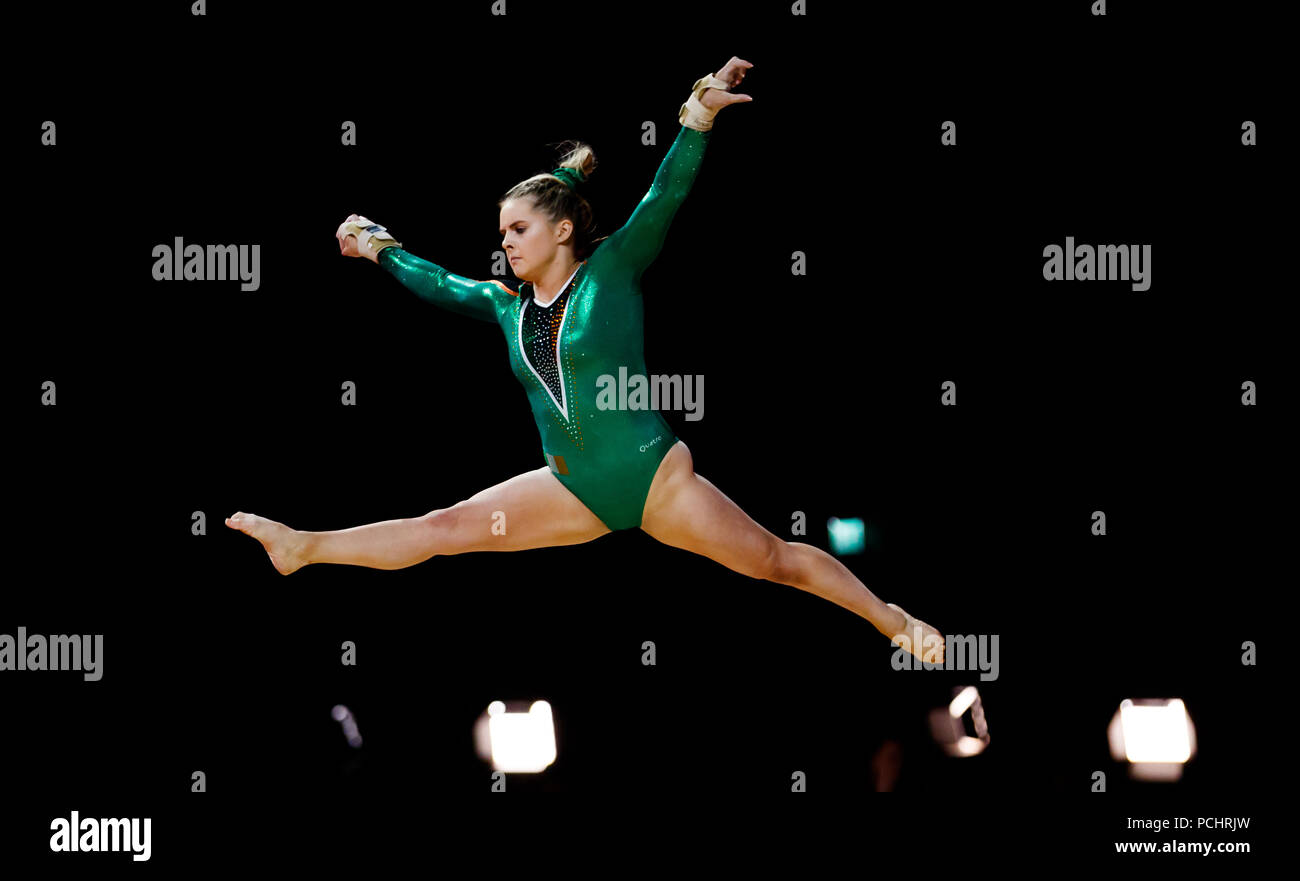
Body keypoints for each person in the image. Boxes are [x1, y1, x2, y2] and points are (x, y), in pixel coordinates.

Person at [226, 57, 945, 664]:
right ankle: (303, 546)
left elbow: (666, 196)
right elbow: (439, 282)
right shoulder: (506, 306)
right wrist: (380, 247)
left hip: (658, 481)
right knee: (443, 528)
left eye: (519, 227)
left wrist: (697, 114)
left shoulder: (613, 271)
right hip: (572, 491)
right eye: (502, 230)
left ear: (563, 228)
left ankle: (892, 619)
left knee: (776, 561)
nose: (506, 242)